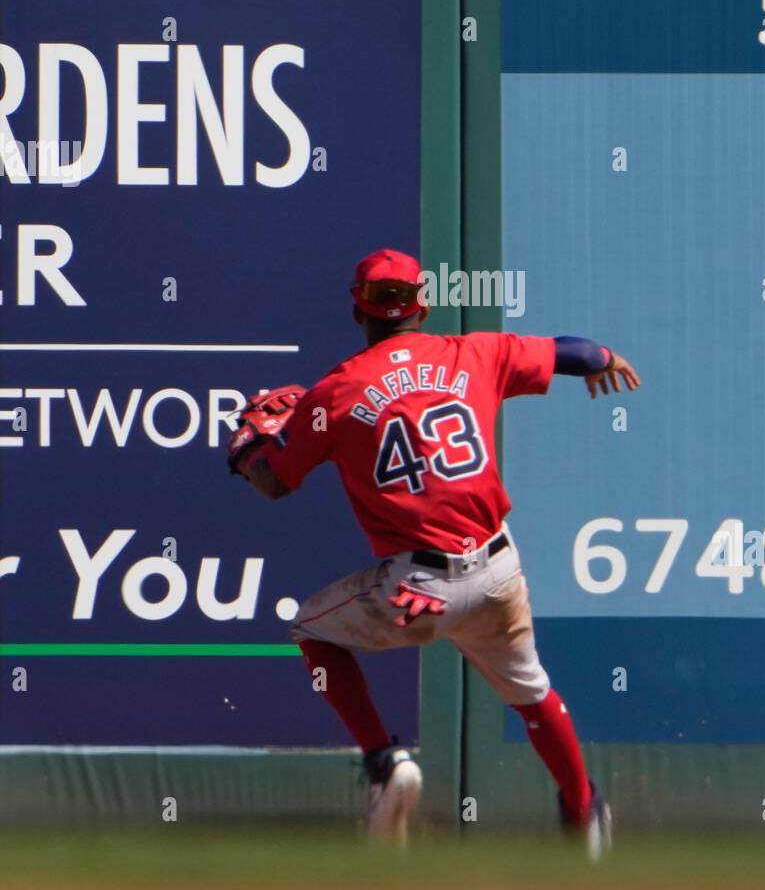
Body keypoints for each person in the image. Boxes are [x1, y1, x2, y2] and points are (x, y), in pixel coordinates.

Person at [228, 249, 640, 858]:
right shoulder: (476, 352)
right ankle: (583, 812)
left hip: (419, 587)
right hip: (499, 570)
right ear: (422, 304)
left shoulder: (334, 395)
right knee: (533, 694)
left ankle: (383, 762)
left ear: (356, 309)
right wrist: (606, 359)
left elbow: (275, 483)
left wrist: (249, 446)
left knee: (311, 633)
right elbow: (572, 352)